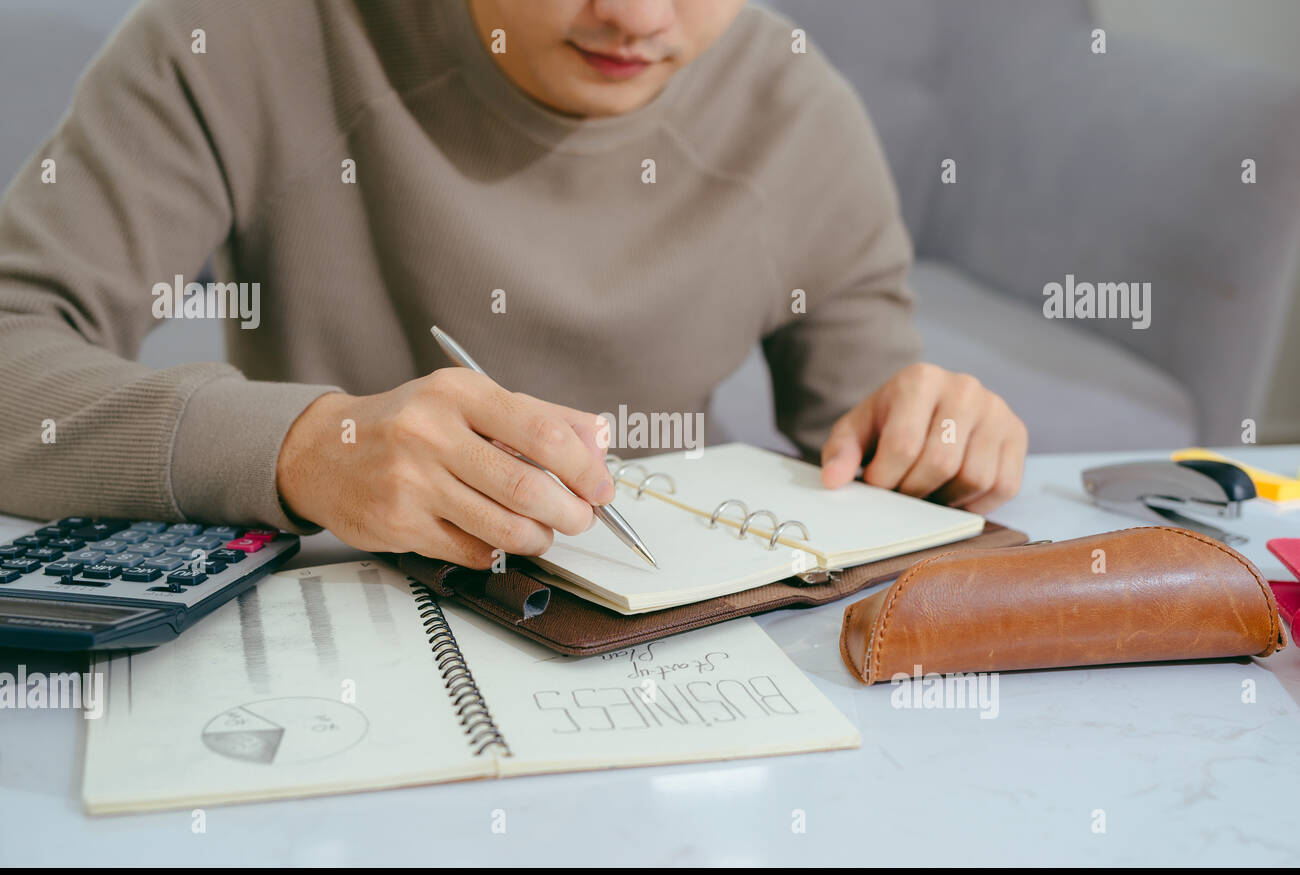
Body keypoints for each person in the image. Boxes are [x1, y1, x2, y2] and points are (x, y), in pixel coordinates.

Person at [0, 0, 1027, 568]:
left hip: (660, 657)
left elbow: (868, 426)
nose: (634, 16)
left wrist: (930, 429)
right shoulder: (233, 39)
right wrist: (308, 446)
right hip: (330, 640)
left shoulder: (794, 106)